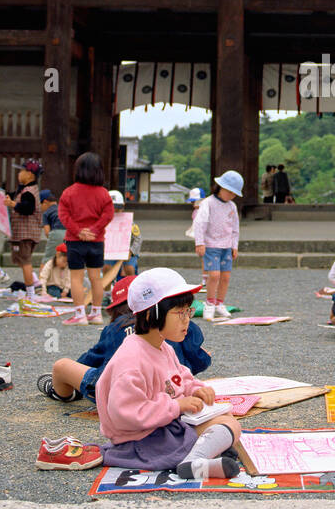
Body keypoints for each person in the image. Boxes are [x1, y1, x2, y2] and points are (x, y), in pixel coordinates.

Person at [94, 268, 242, 481]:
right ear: (149, 314)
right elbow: (125, 413)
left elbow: (181, 377)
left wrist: (197, 389)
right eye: (179, 313)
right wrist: (177, 406)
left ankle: (200, 461)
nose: (187, 320)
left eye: (188, 311)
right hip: (142, 440)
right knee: (228, 426)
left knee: (225, 420)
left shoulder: (163, 347)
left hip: (161, 426)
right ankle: (193, 461)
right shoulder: (131, 359)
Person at [39, 273, 211, 403]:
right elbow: (198, 361)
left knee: (62, 366)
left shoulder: (117, 327)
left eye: (187, 311)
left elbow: (91, 359)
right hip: (150, 394)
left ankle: (64, 392)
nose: (187, 317)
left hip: (118, 393)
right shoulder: (179, 330)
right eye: (182, 311)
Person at [58, 152, 114, 326]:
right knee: (95, 277)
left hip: (75, 241)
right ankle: (96, 313)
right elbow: (108, 214)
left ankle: (80, 314)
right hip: (96, 241)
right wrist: (94, 230)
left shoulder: (69, 192)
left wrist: (78, 231)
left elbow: (63, 214)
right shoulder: (104, 193)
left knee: (76, 277)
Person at [193, 170, 242, 322]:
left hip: (226, 246)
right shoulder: (208, 203)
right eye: (229, 191)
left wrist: (234, 246)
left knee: (225, 276)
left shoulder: (232, 206)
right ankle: (209, 303)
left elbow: (235, 228)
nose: (231, 195)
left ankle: (220, 303)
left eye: (234, 193)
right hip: (211, 244)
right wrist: (199, 242)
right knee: (214, 275)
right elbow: (200, 223)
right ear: (220, 187)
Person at [5, 159, 44, 300]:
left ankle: (31, 294)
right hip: (23, 233)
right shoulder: (24, 189)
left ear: (30, 174)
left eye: (21, 171)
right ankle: (32, 288)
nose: (19, 174)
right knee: (21, 261)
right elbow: (12, 194)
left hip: (25, 233)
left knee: (26, 262)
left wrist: (13, 204)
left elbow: (27, 208)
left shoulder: (29, 192)